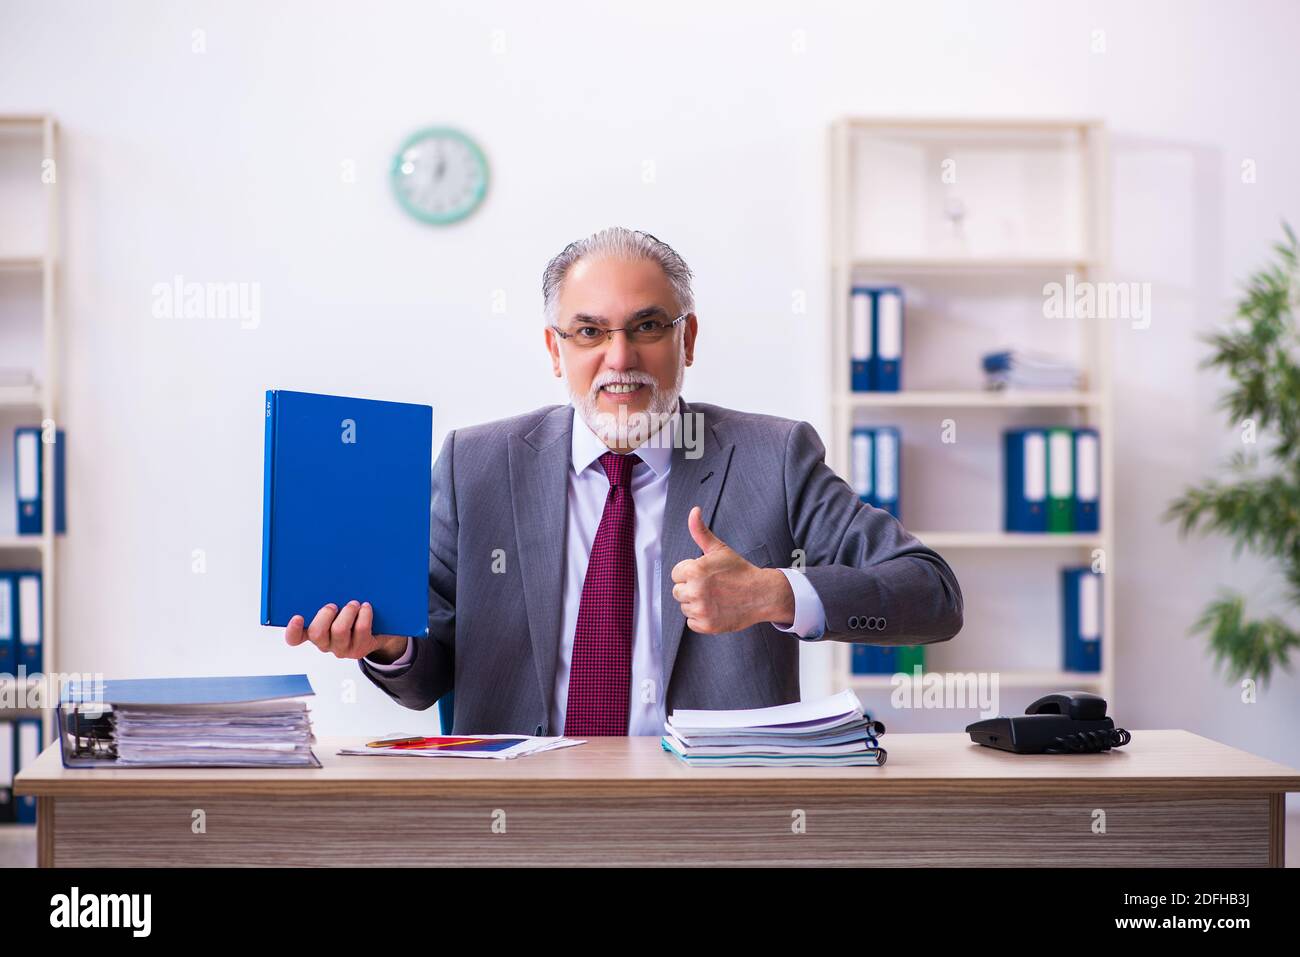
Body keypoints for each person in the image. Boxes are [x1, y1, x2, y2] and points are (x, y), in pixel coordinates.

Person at [285, 226, 962, 735]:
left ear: (687, 339)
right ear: (556, 349)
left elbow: (932, 594)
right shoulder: (477, 464)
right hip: (513, 820)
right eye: (589, 332)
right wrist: (388, 643)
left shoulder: (772, 456)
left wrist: (774, 592)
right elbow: (425, 675)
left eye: (647, 327)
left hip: (708, 826)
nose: (620, 357)